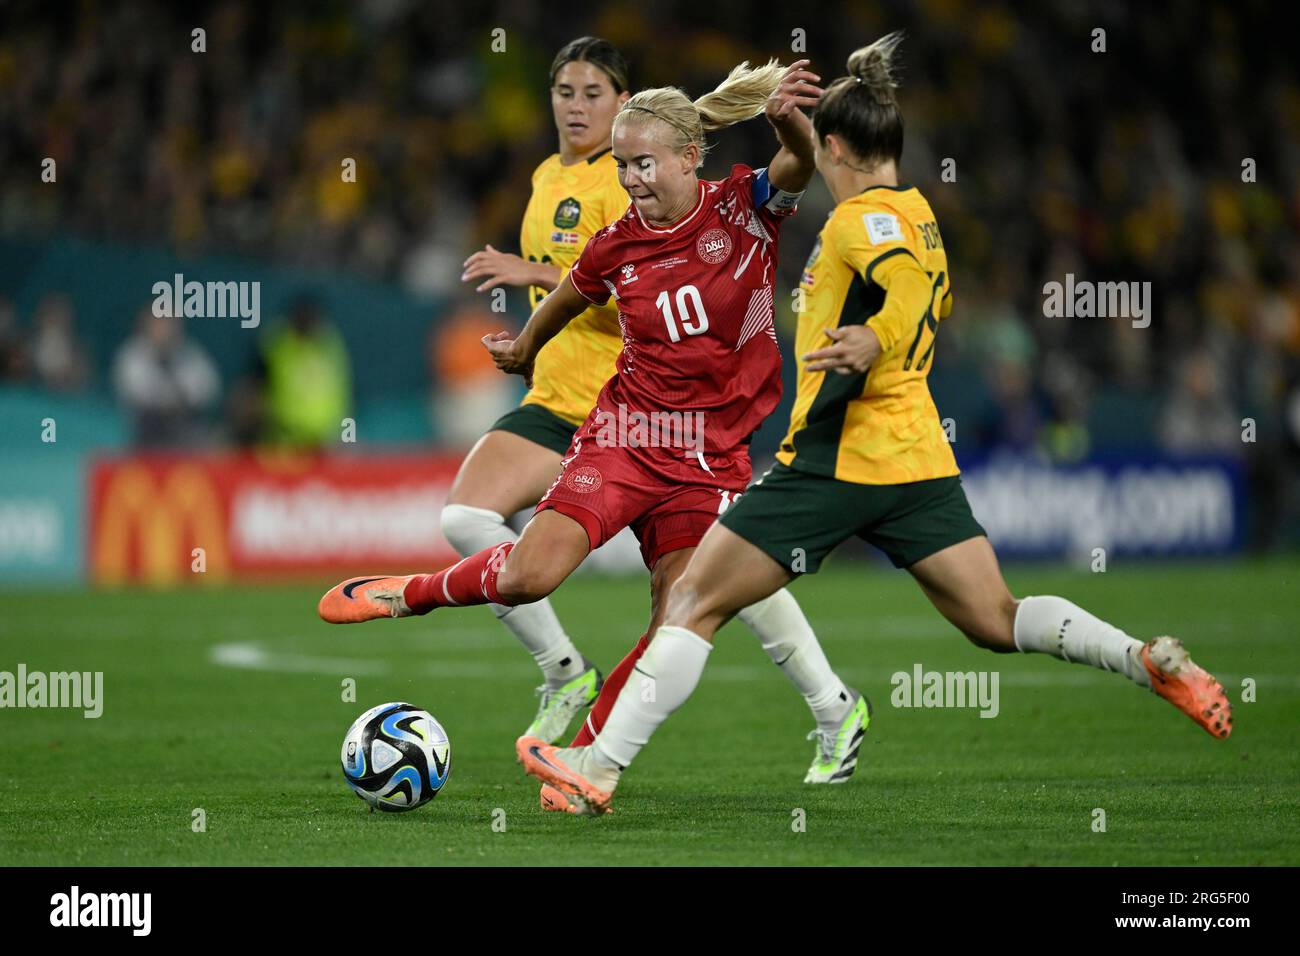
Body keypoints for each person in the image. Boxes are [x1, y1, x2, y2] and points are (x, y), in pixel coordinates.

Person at [516, 34, 1234, 816]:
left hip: (836, 458)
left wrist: (872, 336)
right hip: (917, 457)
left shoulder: (862, 223)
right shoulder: (922, 215)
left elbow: (899, 298)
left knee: (692, 602)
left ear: (833, 147)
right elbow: (920, 292)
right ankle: (1141, 659)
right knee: (996, 618)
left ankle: (600, 768)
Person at [321, 55, 870, 803]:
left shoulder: (746, 206)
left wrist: (786, 122)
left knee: (681, 617)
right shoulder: (618, 241)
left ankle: (590, 761)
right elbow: (572, 294)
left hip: (710, 458)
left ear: (687, 156)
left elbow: (802, 162)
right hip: (624, 433)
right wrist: (522, 349)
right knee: (528, 573)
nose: (633, 180)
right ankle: (410, 594)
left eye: (644, 164)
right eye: (622, 166)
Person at [112, 307, 221, 447]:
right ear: (146, 325)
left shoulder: (191, 353)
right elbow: (136, 394)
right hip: (145, 431)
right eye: (159, 323)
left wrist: (179, 402)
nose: (164, 329)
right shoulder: (132, 355)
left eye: (169, 323)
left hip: (185, 429)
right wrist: (168, 401)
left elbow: (209, 390)